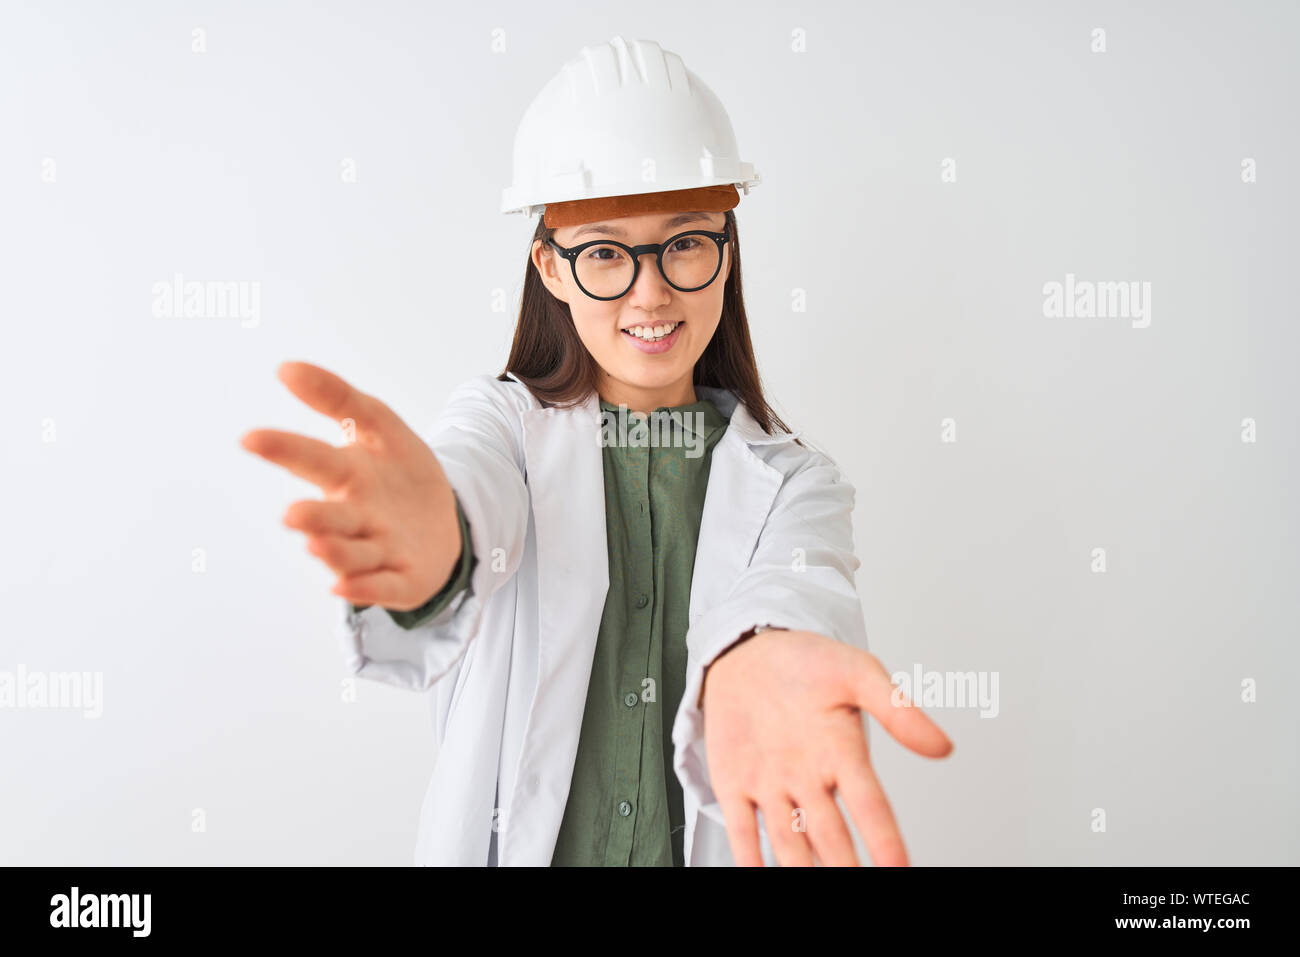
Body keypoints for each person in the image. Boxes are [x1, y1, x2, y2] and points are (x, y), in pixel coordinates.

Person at [240, 35, 952, 866]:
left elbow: (801, 583)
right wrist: (440, 541)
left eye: (685, 242)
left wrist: (765, 649)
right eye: (607, 252)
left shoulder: (795, 484)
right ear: (550, 265)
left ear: (727, 247)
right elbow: (471, 493)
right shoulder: (503, 430)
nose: (651, 291)